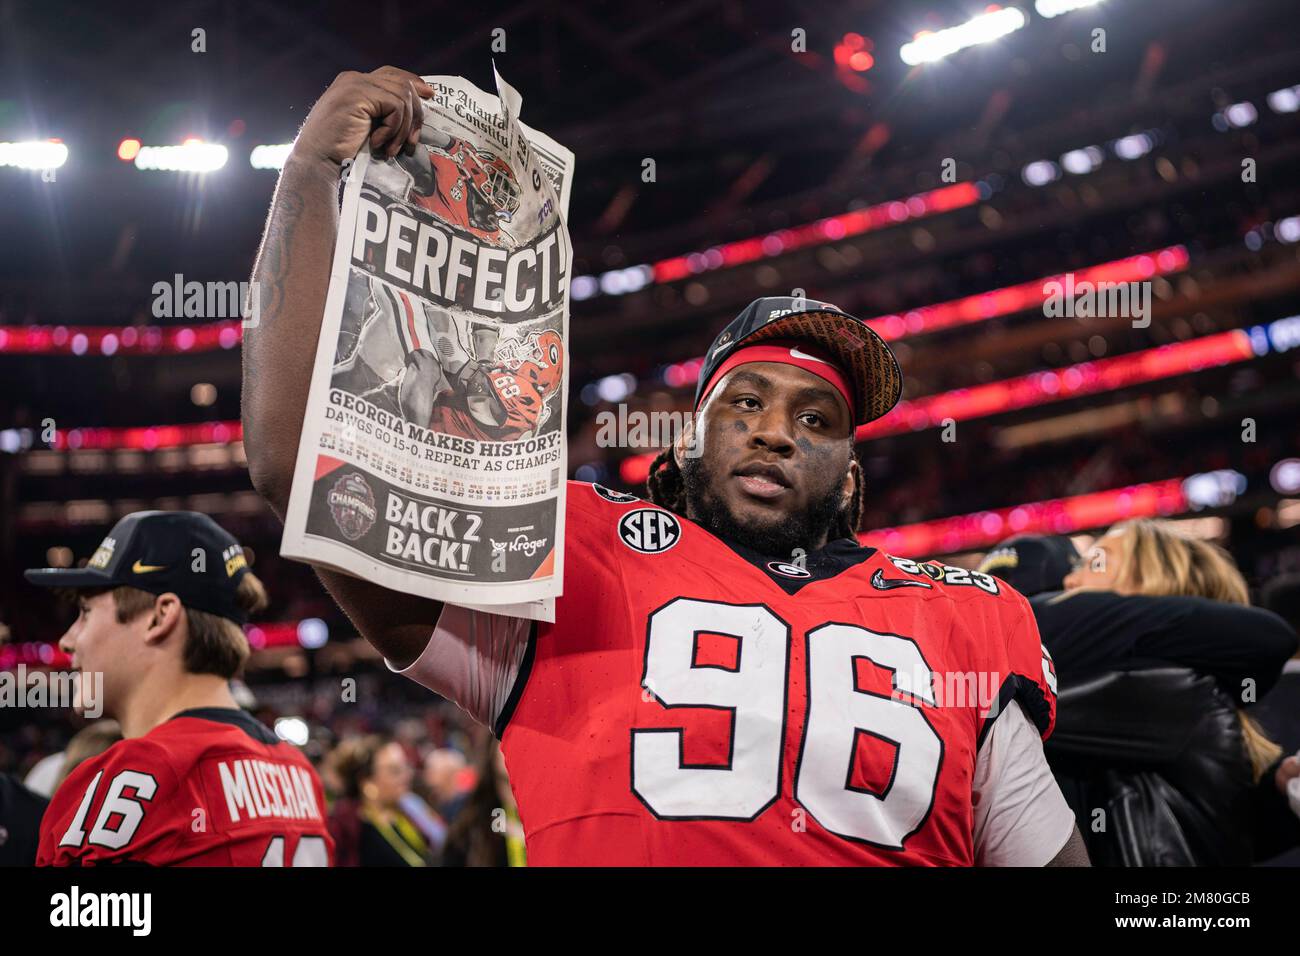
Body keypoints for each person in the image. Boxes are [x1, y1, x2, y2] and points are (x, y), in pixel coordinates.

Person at [242, 65, 1087, 866]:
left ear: (852, 475)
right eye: (745, 403)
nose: (776, 433)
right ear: (690, 442)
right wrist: (312, 173)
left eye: (816, 418)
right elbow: (298, 465)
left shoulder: (964, 620)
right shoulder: (571, 564)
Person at [25, 511, 334, 866]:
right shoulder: (300, 773)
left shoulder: (132, 776)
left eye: (85, 612)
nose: (67, 640)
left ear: (160, 616)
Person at [981, 524, 1299, 864]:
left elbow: (1268, 636)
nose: (1070, 582)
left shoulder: (1166, 690)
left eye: (1097, 564)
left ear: (1151, 584)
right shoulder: (1179, 694)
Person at [328, 735, 443, 866]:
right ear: (367, 782)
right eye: (395, 771)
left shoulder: (407, 814)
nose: (406, 776)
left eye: (406, 767)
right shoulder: (349, 828)